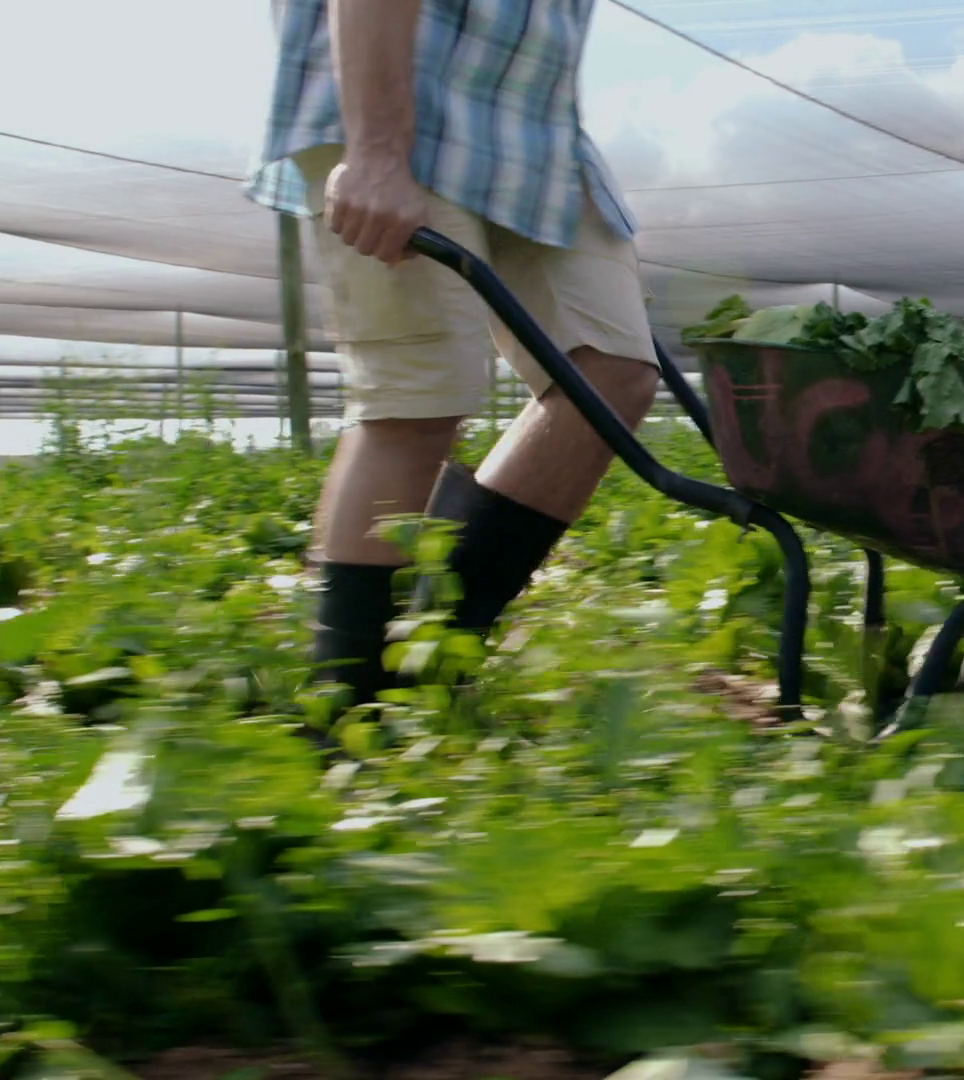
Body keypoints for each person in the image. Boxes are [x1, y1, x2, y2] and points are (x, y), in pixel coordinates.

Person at [245, 0, 662, 707]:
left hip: (536, 123)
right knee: (416, 400)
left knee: (612, 374)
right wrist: (376, 151)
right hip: (401, 90)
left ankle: (429, 666)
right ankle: (345, 709)